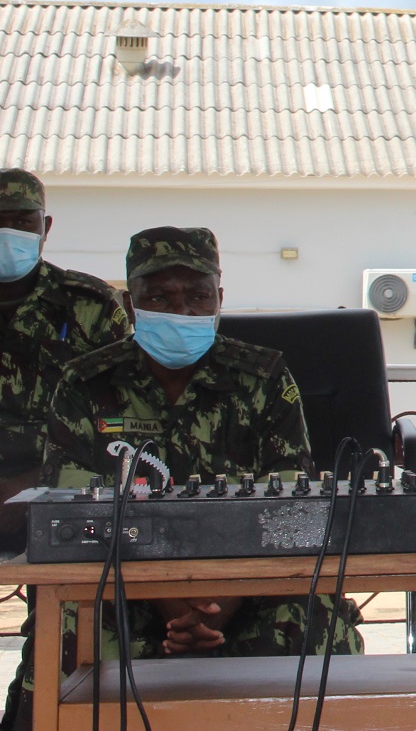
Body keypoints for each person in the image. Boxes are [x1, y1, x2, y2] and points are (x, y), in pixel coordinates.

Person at [5, 228, 359, 729]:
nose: (182, 312)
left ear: (219, 297)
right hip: (120, 591)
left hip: (249, 588)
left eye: (197, 295)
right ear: (131, 304)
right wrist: (179, 611)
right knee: (63, 633)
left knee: (317, 624)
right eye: (160, 296)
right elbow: (75, 515)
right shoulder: (87, 383)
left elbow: (289, 510)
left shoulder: (263, 379)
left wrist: (216, 608)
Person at [0, 170, 128, 554]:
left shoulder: (90, 306)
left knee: (76, 606)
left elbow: (121, 419)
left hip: (66, 491)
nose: (8, 233)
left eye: (22, 221)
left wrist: (35, 485)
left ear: (45, 226)